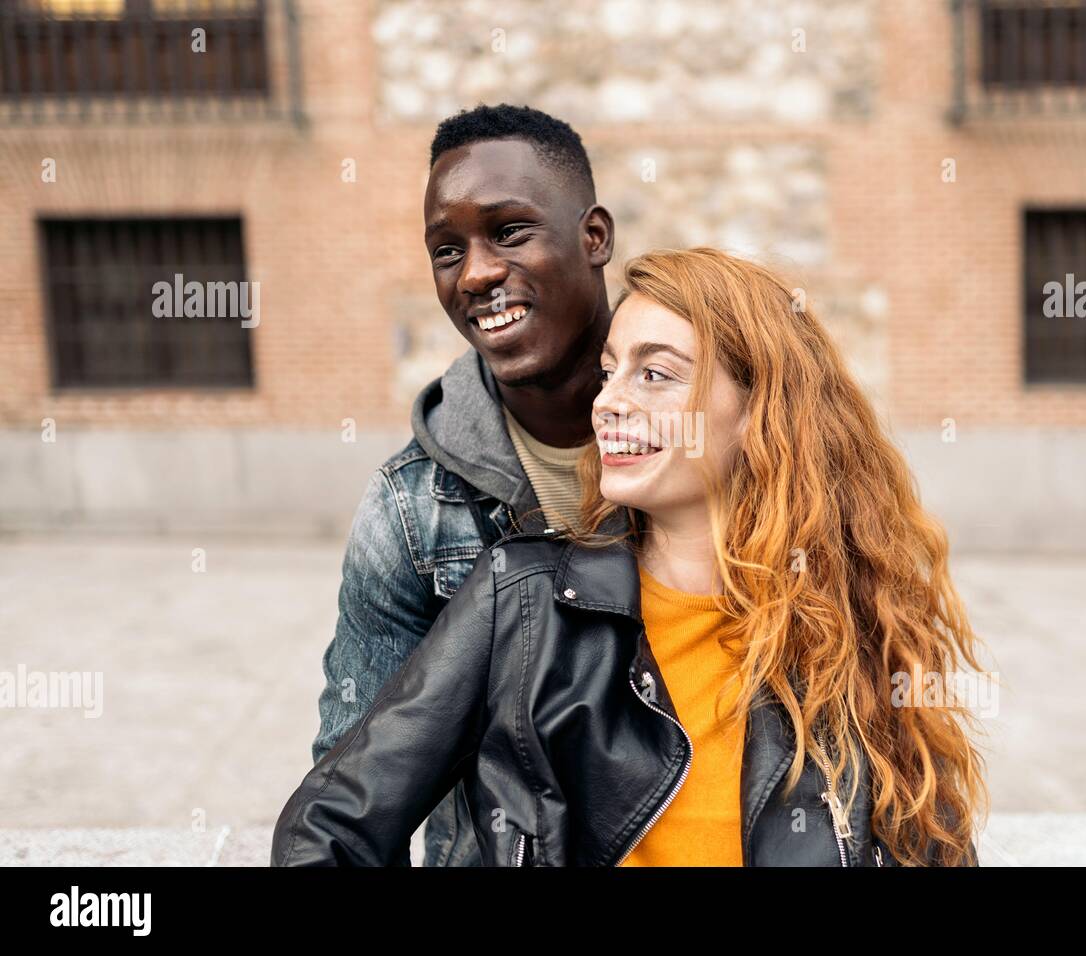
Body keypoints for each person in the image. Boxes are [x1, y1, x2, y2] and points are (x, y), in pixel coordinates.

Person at [274, 248, 988, 866]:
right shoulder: (521, 603)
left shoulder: (854, 628)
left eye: (656, 375)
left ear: (759, 412)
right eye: (611, 370)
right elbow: (329, 828)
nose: (608, 401)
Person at [311, 103, 614, 866]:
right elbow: (349, 788)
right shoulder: (410, 510)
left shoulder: (709, 445)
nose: (476, 274)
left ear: (594, 236)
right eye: (448, 250)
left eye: (509, 232)